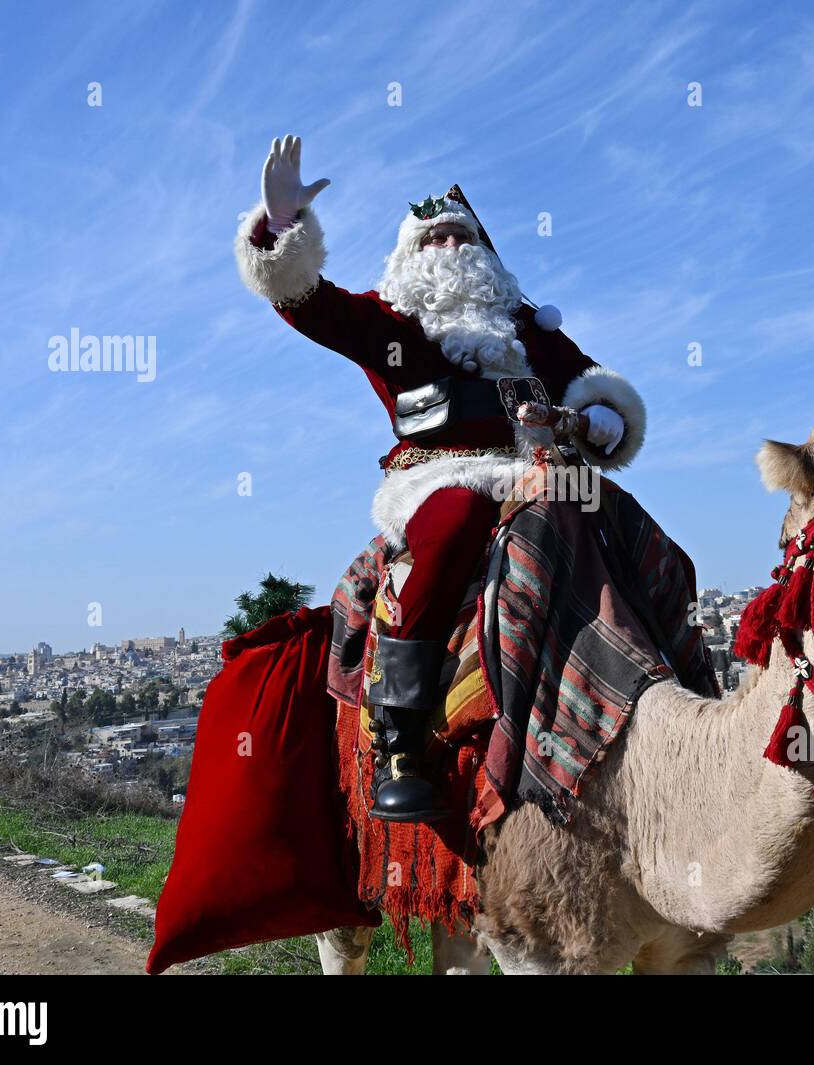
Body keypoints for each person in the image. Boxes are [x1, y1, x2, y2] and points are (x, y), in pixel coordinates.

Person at [235, 135, 646, 823]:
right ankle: (400, 737)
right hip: (441, 475)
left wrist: (602, 416)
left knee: (639, 537)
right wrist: (280, 231)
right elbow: (310, 304)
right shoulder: (392, 321)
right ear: (410, 255)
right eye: (435, 238)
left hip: (539, 474)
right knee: (452, 526)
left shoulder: (527, 327)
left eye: (461, 235)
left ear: (486, 253)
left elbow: (590, 385)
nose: (449, 246)